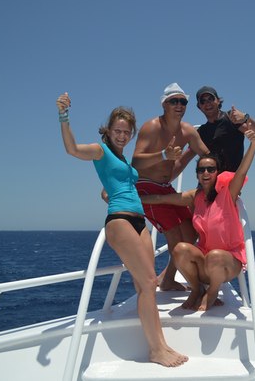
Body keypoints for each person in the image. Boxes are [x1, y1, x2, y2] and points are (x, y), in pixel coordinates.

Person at [55, 92, 187, 367]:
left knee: (145, 284)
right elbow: (72, 149)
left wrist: (109, 192)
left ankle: (161, 344)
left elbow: (115, 185)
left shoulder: (124, 161)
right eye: (118, 130)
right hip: (120, 221)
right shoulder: (100, 151)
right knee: (149, 282)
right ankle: (156, 350)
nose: (122, 135)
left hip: (139, 221)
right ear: (108, 130)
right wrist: (64, 116)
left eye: (127, 132)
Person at [140, 124, 255, 311]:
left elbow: (242, 171)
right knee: (179, 249)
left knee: (215, 256)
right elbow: (160, 199)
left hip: (228, 262)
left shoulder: (228, 193)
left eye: (211, 169)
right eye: (201, 170)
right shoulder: (195, 196)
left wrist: (253, 144)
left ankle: (212, 292)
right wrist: (125, 198)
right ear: (197, 174)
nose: (206, 173)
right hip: (205, 262)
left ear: (217, 172)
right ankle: (197, 289)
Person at [131, 83, 210, 291]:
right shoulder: (152, 127)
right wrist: (164, 155)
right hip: (145, 186)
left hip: (166, 187)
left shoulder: (188, 131)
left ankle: (167, 278)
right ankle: (173, 282)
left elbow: (207, 155)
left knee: (191, 230)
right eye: (174, 101)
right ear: (164, 104)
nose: (179, 105)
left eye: (183, 101)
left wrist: (225, 179)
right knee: (174, 234)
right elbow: (136, 162)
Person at [175, 85, 255, 174]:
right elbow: (182, 161)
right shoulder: (200, 133)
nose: (207, 103)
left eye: (210, 99)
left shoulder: (231, 119)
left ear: (218, 101)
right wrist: (166, 180)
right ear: (199, 106)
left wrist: (246, 117)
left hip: (233, 180)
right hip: (210, 181)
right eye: (203, 101)